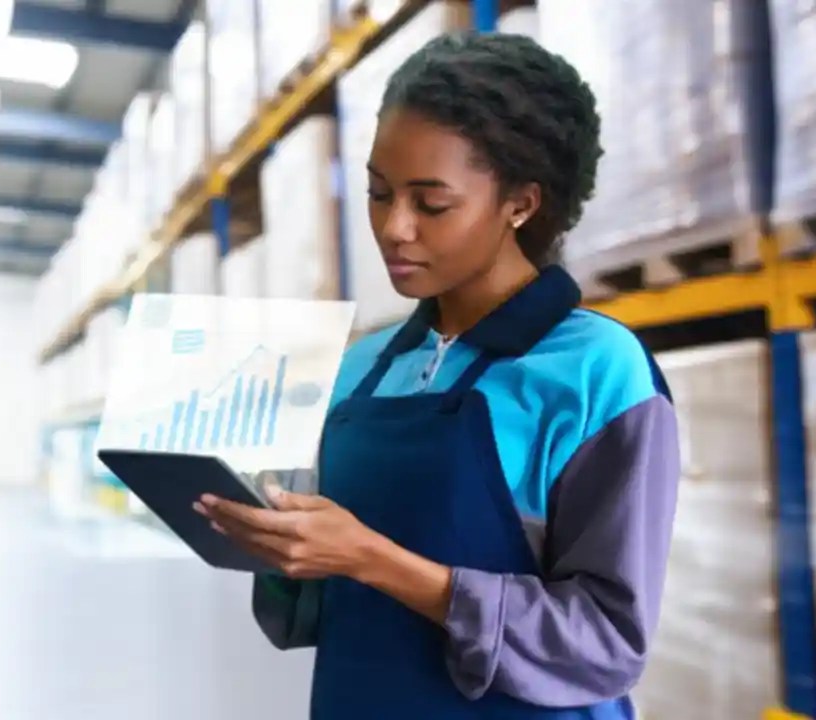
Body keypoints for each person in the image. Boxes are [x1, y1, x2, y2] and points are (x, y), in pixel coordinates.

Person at [194, 31, 680, 719]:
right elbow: (310, 611)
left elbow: (604, 642)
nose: (394, 228)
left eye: (431, 203)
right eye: (378, 193)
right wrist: (270, 547)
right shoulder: (360, 368)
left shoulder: (595, 372)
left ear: (521, 202)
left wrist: (373, 560)